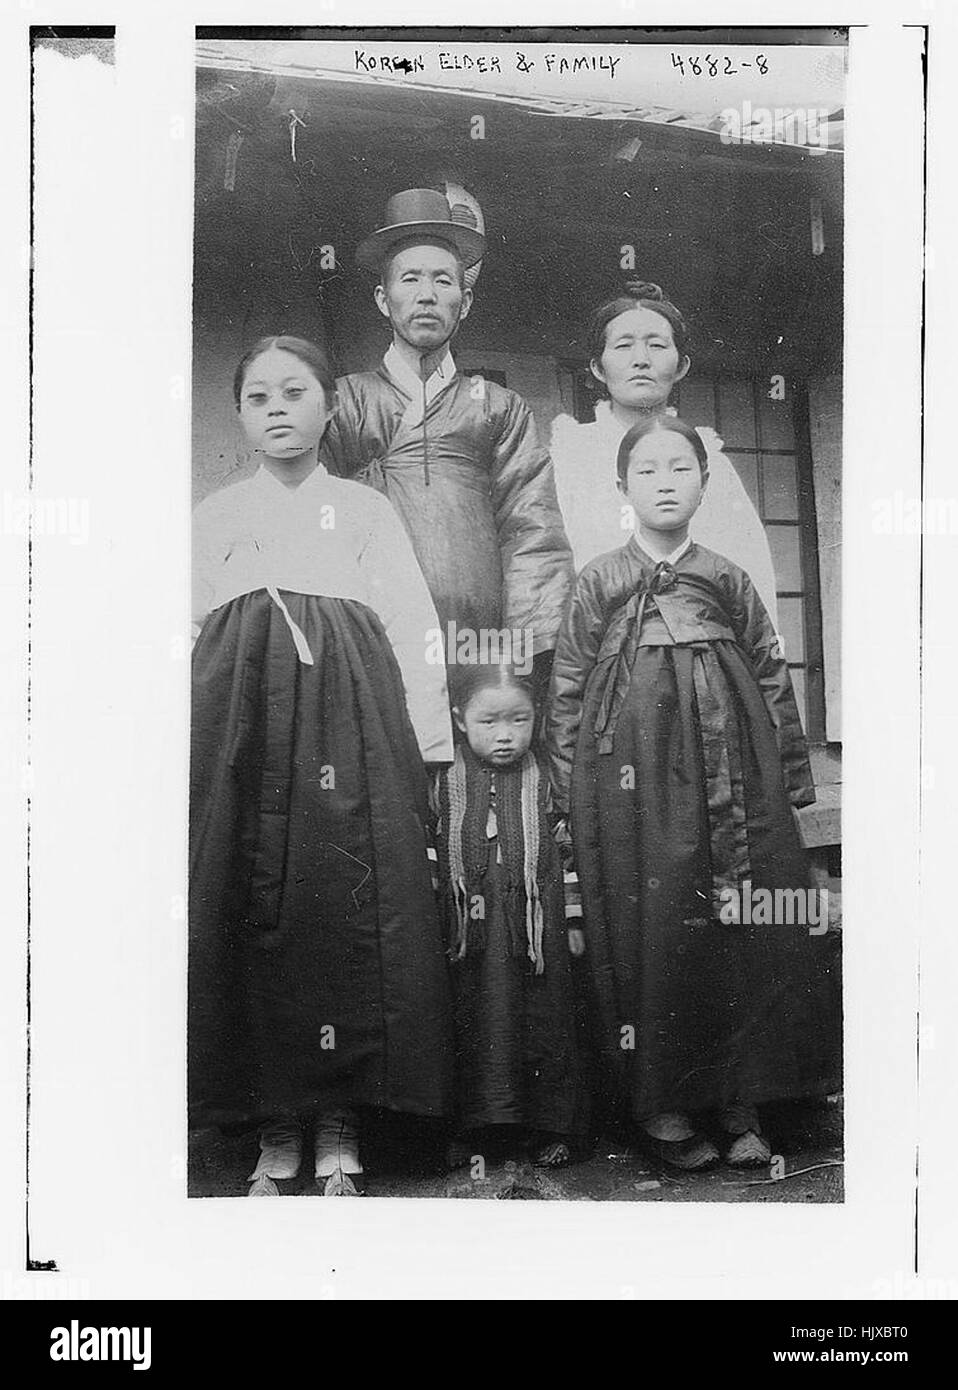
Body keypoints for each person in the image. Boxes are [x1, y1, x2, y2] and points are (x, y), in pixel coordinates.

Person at [189, 335, 455, 1197]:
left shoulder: (364, 510)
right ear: (240, 413)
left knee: (344, 910)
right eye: (259, 396)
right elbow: (181, 631)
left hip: (353, 728)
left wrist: (427, 745)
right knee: (252, 906)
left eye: (295, 392)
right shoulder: (218, 515)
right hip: (244, 734)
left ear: (329, 406)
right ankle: (275, 1125)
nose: (278, 409)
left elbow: (412, 623)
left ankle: (341, 1120)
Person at [546, 415, 841, 1170]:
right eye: (646, 471)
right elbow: (570, 684)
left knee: (738, 923)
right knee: (658, 927)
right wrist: (567, 796)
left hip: (733, 769)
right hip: (633, 781)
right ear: (621, 488)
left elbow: (770, 671)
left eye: (680, 468)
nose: (665, 483)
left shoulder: (726, 575)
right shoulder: (600, 579)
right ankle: (665, 1105)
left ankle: (740, 1100)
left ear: (705, 484)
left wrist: (789, 777)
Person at [321, 188, 573, 690]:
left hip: (479, 649)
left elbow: (532, 534)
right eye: (409, 279)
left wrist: (519, 660)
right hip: (371, 639)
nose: (426, 295)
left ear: (466, 301)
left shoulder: (498, 407)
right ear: (382, 299)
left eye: (442, 280)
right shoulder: (343, 402)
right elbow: (314, 528)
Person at [550, 281, 779, 624]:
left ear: (682, 365)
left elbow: (751, 573)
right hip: (595, 637)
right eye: (624, 346)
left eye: (657, 345)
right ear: (598, 367)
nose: (641, 360)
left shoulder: (708, 460)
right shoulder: (569, 455)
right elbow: (548, 571)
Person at [434, 663, 586, 1169]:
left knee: (543, 1017)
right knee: (471, 1018)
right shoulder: (443, 781)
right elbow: (429, 852)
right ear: (460, 719)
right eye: (489, 721)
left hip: (537, 928)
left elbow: (568, 849)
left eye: (519, 720)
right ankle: (473, 1128)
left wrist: (575, 919)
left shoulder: (547, 779)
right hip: (466, 932)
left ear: (537, 717)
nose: (505, 735)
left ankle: (547, 1127)